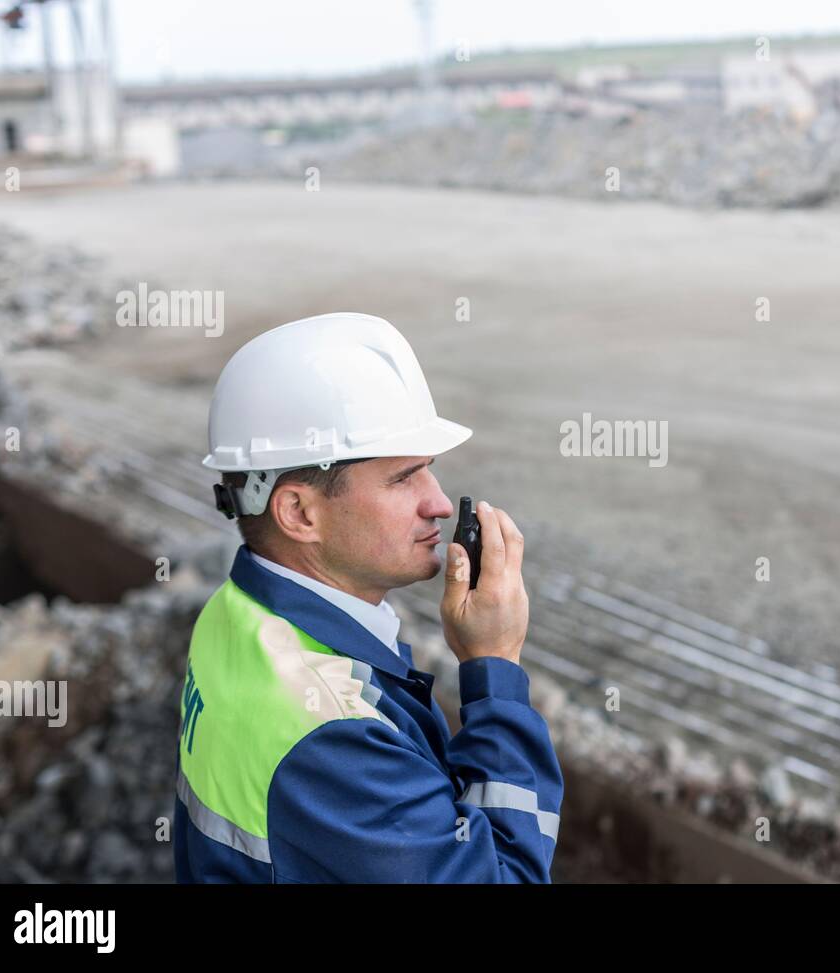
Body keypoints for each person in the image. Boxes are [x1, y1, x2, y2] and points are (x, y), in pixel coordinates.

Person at [174, 311, 563, 882]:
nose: (437, 502)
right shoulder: (332, 739)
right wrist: (495, 668)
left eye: (428, 471)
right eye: (403, 478)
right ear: (300, 513)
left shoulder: (238, 613)